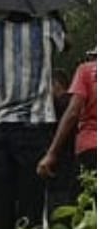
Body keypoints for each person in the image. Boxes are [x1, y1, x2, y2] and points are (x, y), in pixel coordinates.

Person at [0, 10, 64, 229]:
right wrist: (54, 11)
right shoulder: (48, 28)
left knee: (1, 204)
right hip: (35, 127)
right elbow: (65, 45)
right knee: (31, 203)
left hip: (1, 128)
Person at [38, 55, 95, 206]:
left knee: (85, 208)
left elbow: (73, 113)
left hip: (89, 151)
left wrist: (51, 153)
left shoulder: (85, 71)